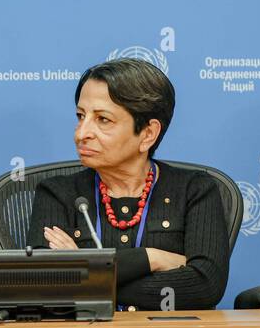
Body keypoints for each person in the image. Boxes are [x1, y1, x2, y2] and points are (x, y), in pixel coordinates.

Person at [25, 57, 230, 310]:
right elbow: (45, 285)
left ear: (147, 134)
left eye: (103, 120)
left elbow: (205, 286)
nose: (81, 133)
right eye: (81, 116)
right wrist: (152, 258)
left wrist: (85, 275)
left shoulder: (195, 190)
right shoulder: (57, 193)